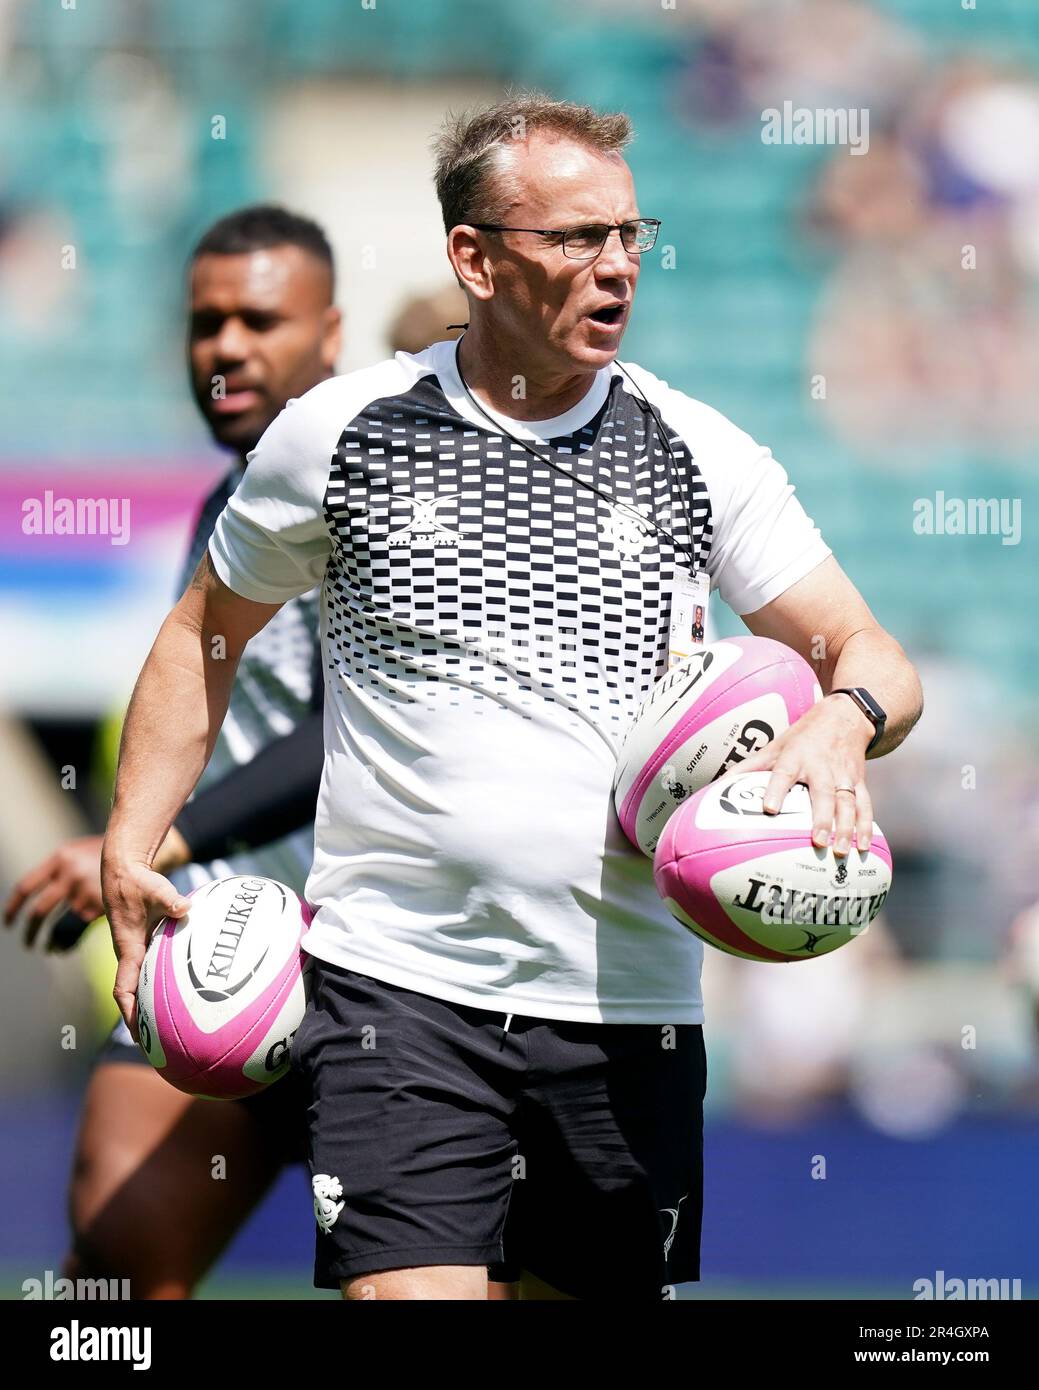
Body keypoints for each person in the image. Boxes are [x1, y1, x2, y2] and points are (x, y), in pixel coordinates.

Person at [101, 94, 923, 1302]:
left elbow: (871, 655)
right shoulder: (337, 434)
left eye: (629, 236)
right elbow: (200, 638)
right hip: (397, 994)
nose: (616, 267)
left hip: (624, 1007)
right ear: (475, 260)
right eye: (576, 239)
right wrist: (130, 839)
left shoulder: (703, 452)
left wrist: (840, 721)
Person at [4, 204, 341, 1298]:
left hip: (380, 971)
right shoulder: (221, 506)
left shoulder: (363, 495)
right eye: (205, 323)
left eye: (258, 319)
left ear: (329, 333)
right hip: (215, 950)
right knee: (111, 1266)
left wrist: (137, 840)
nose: (226, 346)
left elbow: (348, 735)